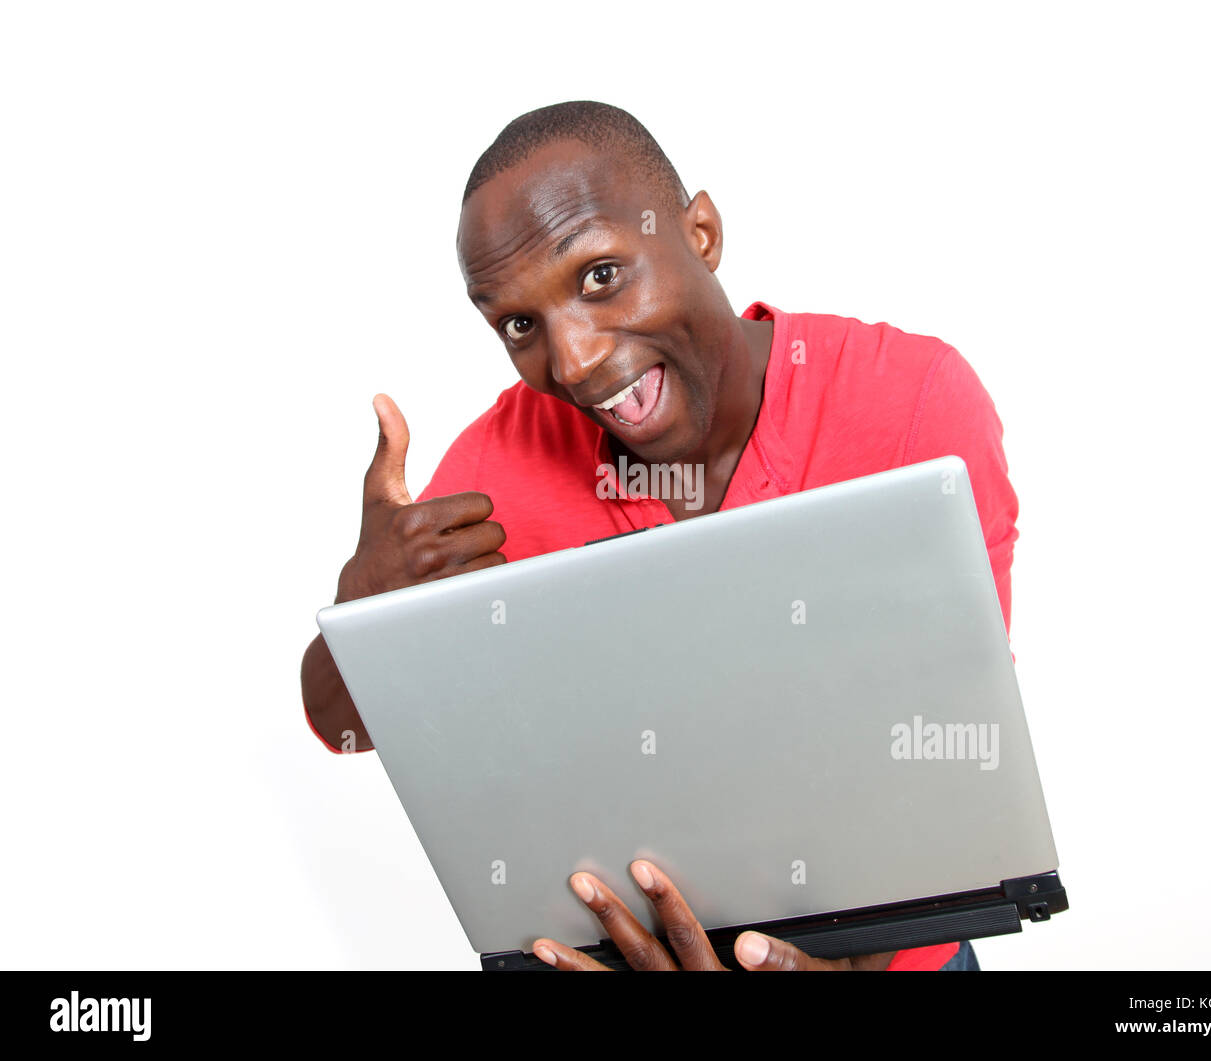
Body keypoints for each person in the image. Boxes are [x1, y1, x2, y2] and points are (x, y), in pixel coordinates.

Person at [300, 100, 1016, 972]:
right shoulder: (501, 461)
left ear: (702, 234)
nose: (573, 361)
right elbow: (344, 726)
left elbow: (952, 756)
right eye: (518, 324)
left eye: (599, 275)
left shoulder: (911, 401)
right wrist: (364, 609)